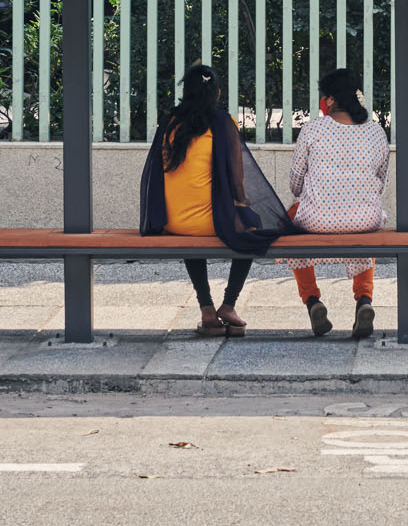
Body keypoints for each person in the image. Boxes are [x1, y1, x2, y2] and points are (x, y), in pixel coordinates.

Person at [138, 64, 289, 336]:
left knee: (191, 233)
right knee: (254, 227)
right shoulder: (223, 123)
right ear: (217, 93)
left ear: (185, 92)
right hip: (209, 223)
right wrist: (243, 207)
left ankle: (206, 309)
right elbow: (237, 177)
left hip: (172, 222)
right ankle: (228, 304)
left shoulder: (169, 122)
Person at [281, 66, 389, 340]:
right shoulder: (375, 132)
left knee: (291, 221)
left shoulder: (313, 129)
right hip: (365, 218)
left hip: (318, 219)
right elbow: (380, 180)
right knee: (361, 230)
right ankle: (364, 300)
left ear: (329, 100)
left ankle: (312, 300)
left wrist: (309, 196)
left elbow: (295, 181)